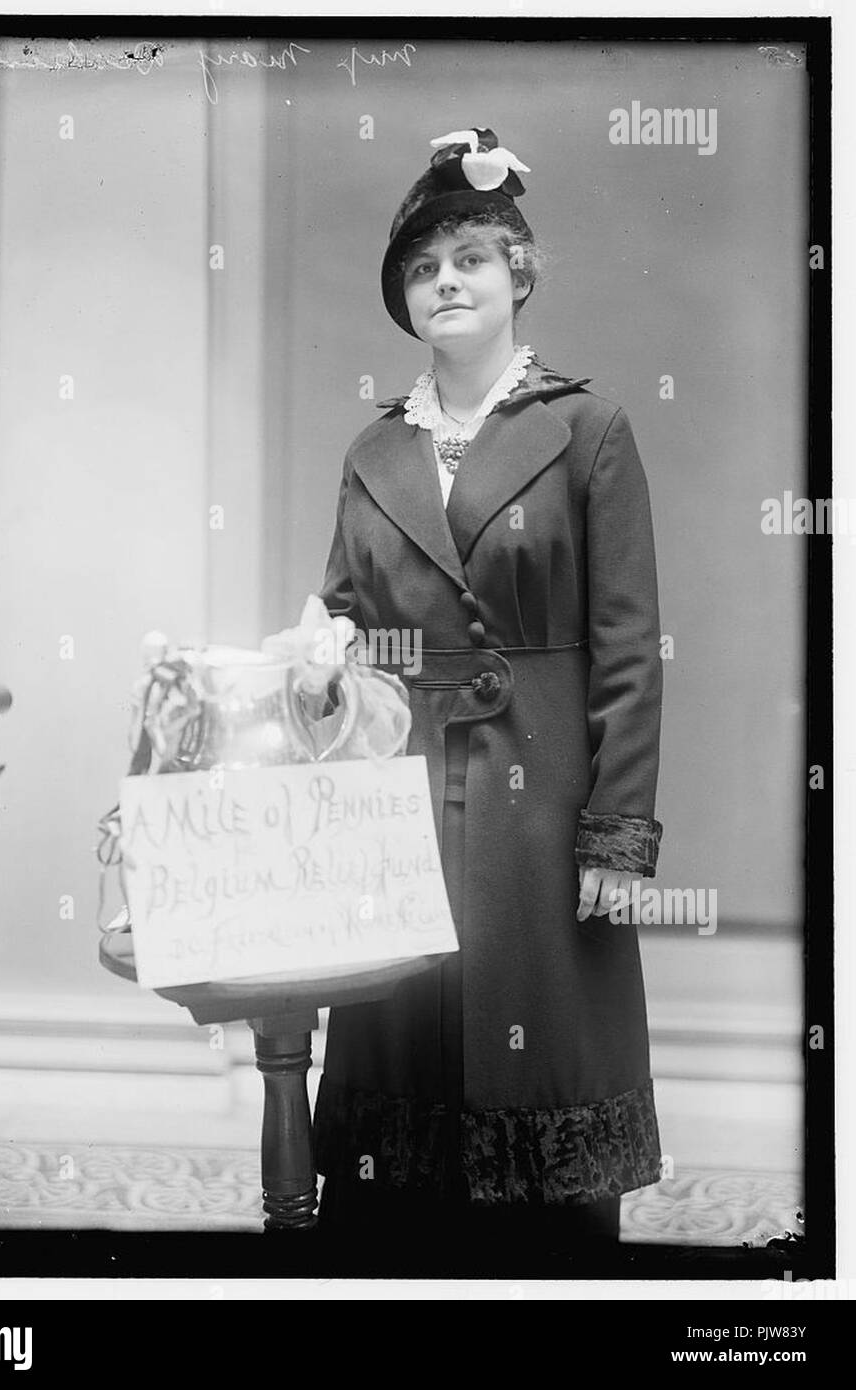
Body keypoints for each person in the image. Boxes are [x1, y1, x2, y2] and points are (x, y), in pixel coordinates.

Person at [310, 126, 665, 1271]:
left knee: (539, 1068)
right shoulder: (374, 449)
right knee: (402, 1066)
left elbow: (626, 648)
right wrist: (321, 660)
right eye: (423, 268)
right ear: (405, 302)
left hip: (542, 797)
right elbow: (345, 620)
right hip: (406, 795)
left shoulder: (588, 431)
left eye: (470, 256)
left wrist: (617, 833)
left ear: (520, 275)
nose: (446, 281)